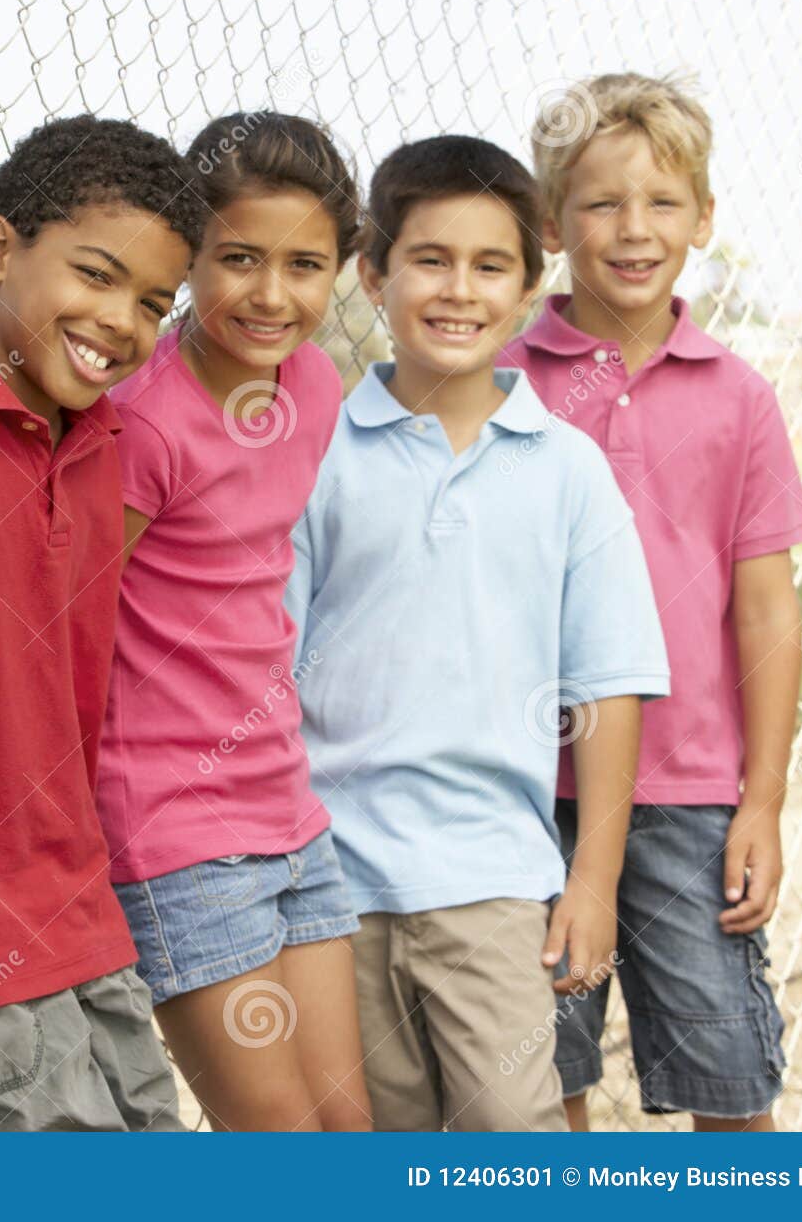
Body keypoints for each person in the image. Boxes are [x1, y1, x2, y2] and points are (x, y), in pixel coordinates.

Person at [288, 135, 671, 1130]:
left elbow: (609, 683)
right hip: (331, 882)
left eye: (488, 264)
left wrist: (592, 878)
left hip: (496, 882)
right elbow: (267, 668)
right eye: (429, 259)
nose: (457, 289)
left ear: (526, 287)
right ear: (371, 270)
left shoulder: (567, 470)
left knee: (514, 1139)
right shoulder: (315, 450)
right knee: (374, 1144)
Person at [0, 114, 207, 1131]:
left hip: (77, 913)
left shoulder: (104, 442)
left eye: (153, 302)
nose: (121, 320)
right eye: (95, 276)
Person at [501, 72, 802, 1131]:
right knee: (546, 1079)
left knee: (731, 1084)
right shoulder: (498, 382)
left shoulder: (738, 395)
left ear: (703, 219)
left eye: (661, 202)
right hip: (531, 786)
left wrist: (760, 799)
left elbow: (766, 613)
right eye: (599, 203)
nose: (632, 230)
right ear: (552, 221)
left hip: (691, 797)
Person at [101, 111, 370, 1131]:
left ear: (340, 267)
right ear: (187, 261)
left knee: (349, 1129)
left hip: (289, 808)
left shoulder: (312, 384)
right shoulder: (146, 419)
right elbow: (77, 625)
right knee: (279, 1145)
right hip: (177, 826)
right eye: (238, 259)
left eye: (303, 263)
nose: (270, 292)